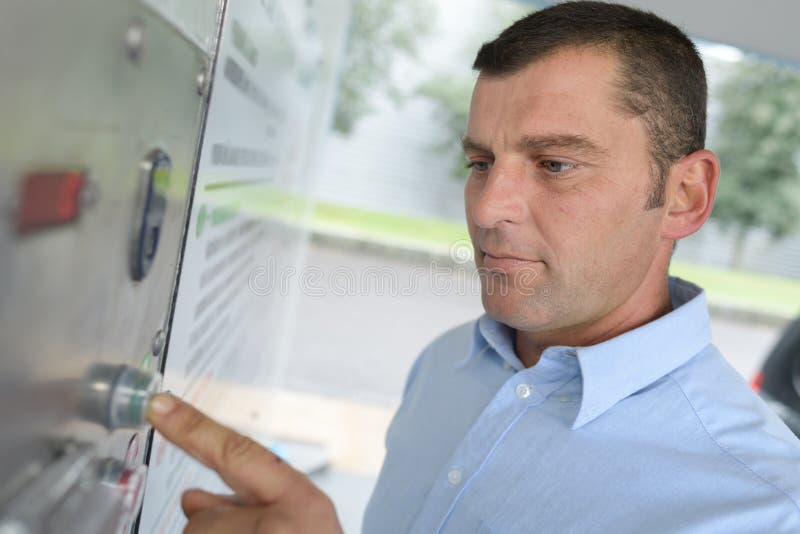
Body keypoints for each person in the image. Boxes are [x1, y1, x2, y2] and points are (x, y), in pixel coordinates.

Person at [146, 2, 800, 532]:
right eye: (481, 163)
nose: (487, 208)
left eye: (555, 165)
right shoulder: (446, 364)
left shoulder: (763, 508)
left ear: (684, 196)